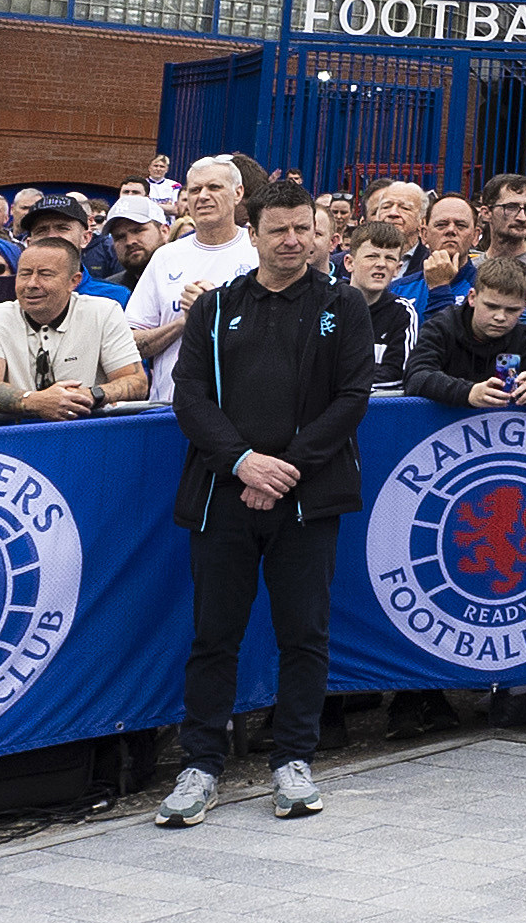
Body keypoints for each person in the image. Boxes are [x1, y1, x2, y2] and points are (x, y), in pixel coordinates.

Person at [156, 179, 377, 831]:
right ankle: (200, 763)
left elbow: (352, 395)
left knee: (304, 634)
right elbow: (189, 396)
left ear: (320, 231)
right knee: (213, 634)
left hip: (308, 500)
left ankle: (293, 759)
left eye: (302, 228)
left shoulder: (343, 304)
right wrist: (243, 462)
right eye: (278, 229)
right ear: (252, 234)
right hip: (223, 495)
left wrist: (285, 469)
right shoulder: (216, 307)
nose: (292, 240)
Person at [0, 229, 150, 419]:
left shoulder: (103, 312)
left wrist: (90, 395)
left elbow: (136, 382)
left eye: (45, 274)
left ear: (73, 281)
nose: (31, 284)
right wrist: (34, 401)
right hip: (16, 438)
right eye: (25, 274)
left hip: (87, 432)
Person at [127, 157, 256, 409]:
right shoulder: (166, 256)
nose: (203, 196)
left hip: (240, 410)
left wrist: (215, 311)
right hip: (170, 409)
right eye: (195, 190)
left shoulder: (258, 250)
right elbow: (132, 344)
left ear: (238, 193)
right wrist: (185, 322)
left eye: (214, 188)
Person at [406, 257, 526, 411]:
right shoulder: (442, 327)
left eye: (512, 310)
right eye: (491, 306)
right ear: (472, 298)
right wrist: (469, 393)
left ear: (525, 306)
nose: (500, 317)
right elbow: (416, 376)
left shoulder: (522, 336)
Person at [345, 228, 419, 386]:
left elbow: (398, 373)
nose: (381, 264)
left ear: (398, 269)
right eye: (372, 256)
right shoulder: (328, 305)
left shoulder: (403, 312)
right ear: (349, 263)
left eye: (390, 258)